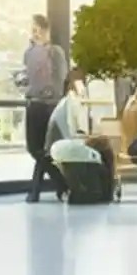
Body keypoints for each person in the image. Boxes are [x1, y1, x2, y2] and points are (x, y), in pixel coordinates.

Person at [20, 14, 68, 203]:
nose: (36, 33)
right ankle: (57, 187)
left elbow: (59, 80)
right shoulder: (29, 53)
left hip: (49, 105)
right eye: (33, 30)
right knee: (36, 150)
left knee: (42, 150)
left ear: (47, 31)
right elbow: (28, 77)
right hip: (33, 103)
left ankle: (53, 187)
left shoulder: (55, 52)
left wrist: (49, 94)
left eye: (40, 30)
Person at [47, 69, 115, 203]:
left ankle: (106, 189)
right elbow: (72, 131)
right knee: (105, 145)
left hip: (64, 141)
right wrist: (87, 138)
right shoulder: (71, 102)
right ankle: (108, 190)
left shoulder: (68, 101)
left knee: (102, 142)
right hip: (66, 142)